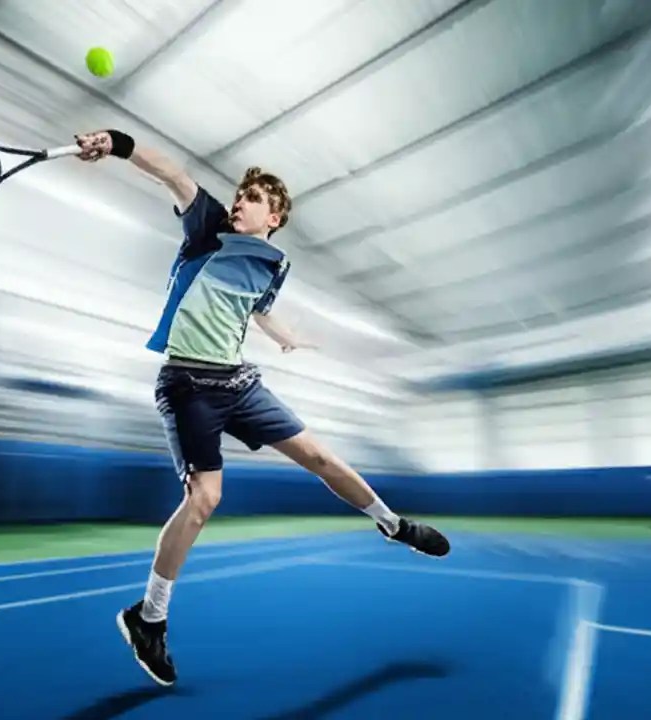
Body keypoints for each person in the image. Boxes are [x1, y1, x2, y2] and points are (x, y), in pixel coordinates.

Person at [73, 129, 450, 687]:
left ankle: (393, 525)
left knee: (320, 456)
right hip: (188, 384)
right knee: (205, 499)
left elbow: (257, 309)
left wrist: (284, 336)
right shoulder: (207, 230)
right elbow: (172, 173)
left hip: (240, 383)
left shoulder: (273, 264)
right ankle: (148, 617)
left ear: (274, 216)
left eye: (252, 198)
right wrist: (120, 144)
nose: (239, 202)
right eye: (239, 195)